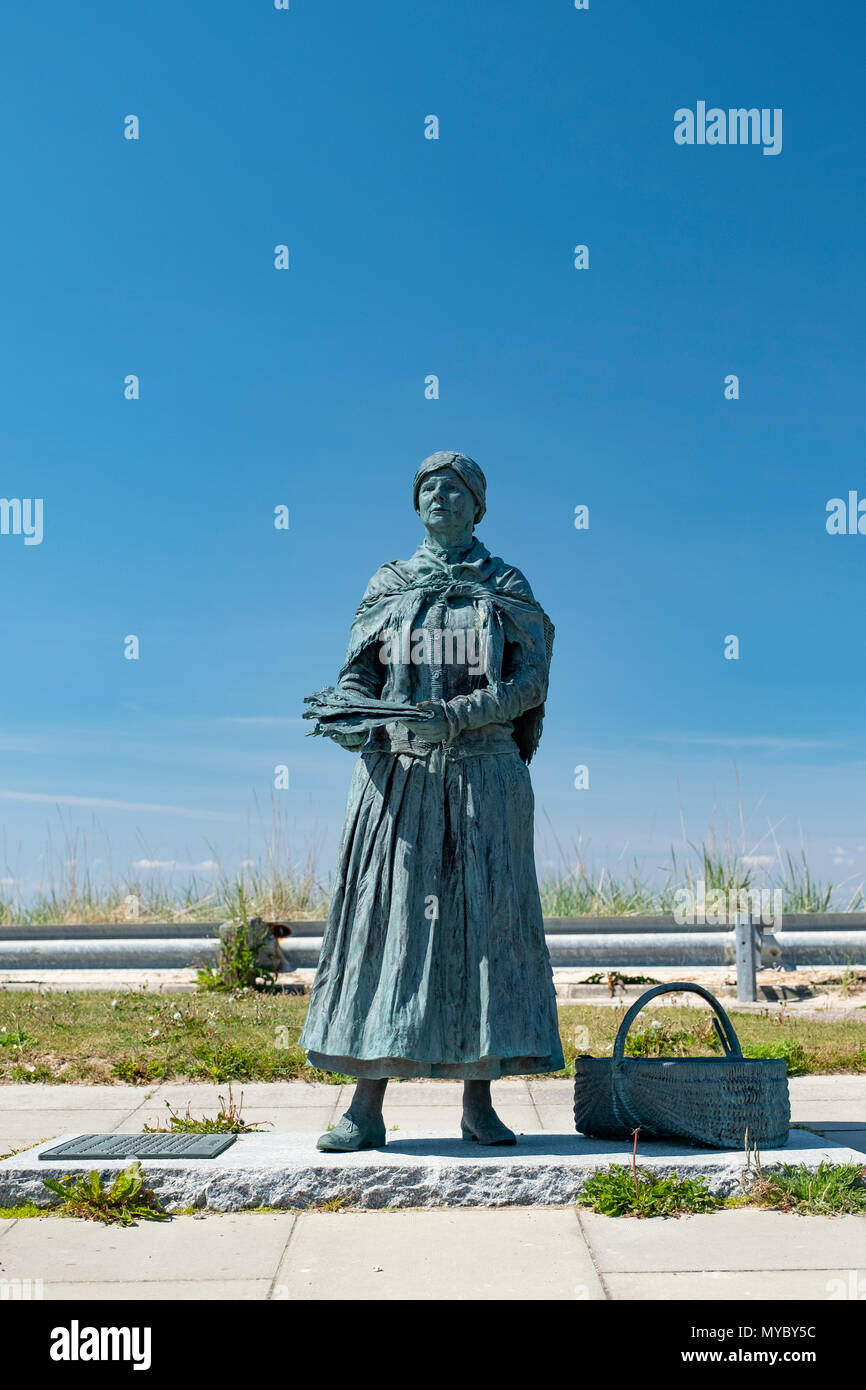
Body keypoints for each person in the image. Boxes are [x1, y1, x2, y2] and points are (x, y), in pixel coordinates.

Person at [299, 450, 563, 1150]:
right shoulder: (390, 583)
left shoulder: (504, 584)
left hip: (485, 776)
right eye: (429, 488)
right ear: (416, 505)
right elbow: (359, 672)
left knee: (485, 931)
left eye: (456, 488)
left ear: (479, 507)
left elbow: (530, 680)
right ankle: (365, 1105)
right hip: (401, 779)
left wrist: (457, 715)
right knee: (386, 930)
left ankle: (480, 1101)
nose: (441, 496)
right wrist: (348, 710)